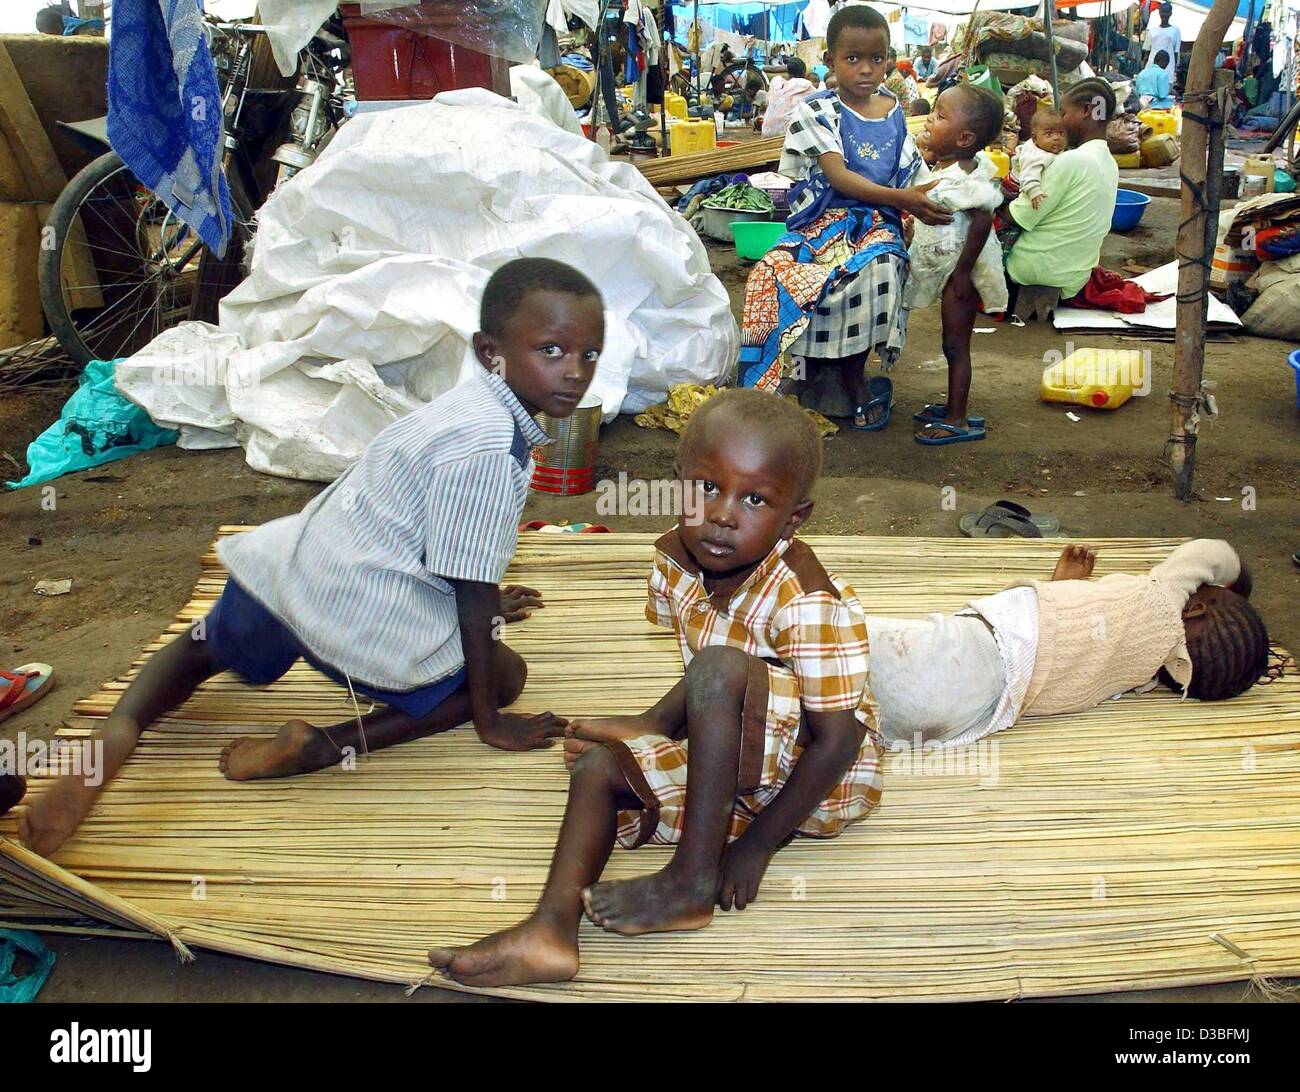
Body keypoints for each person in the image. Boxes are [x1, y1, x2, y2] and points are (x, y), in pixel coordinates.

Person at [17, 258, 605, 858]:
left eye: (589, 355)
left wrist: (479, 594)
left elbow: (428, 535)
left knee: (195, 651)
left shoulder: (458, 409)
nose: (574, 373)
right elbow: (469, 588)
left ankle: (115, 735)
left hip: (286, 572)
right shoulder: (491, 446)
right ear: (490, 351)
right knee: (506, 676)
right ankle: (327, 744)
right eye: (552, 350)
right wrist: (489, 718)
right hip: (359, 616)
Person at [428, 389, 885, 987]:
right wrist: (657, 725)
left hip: (819, 780)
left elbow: (839, 739)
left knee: (724, 665)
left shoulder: (807, 601)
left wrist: (757, 848)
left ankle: (690, 882)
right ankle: (549, 931)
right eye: (706, 489)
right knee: (596, 768)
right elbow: (702, 671)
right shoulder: (674, 562)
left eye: (755, 499)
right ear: (678, 486)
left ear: (793, 518)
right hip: (730, 769)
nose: (723, 514)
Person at [737, 4, 951, 430]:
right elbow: (839, 176)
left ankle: (853, 375)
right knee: (772, 272)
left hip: (876, 227)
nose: (866, 70)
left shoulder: (894, 116)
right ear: (830, 61)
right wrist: (904, 199)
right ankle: (797, 374)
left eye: (877, 59)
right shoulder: (816, 111)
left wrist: (960, 189)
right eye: (853, 59)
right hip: (821, 223)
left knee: (882, 267)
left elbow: (915, 176)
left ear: (889, 60)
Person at [863, 539, 1273, 750]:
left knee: (828, 632)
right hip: (972, 710)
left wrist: (1240, 586)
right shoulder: (1137, 676)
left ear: (1196, 606)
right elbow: (1066, 652)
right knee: (848, 699)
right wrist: (1066, 590)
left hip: (967, 657)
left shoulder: (1161, 601)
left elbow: (1214, 553)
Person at [905, 83, 1007, 446]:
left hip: (962, 276)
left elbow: (982, 220)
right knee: (951, 343)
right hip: (952, 270)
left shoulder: (968, 179)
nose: (929, 120)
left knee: (955, 345)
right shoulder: (954, 167)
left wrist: (963, 273)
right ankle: (953, 406)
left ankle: (958, 418)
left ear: (964, 138)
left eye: (940, 116)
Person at [1003, 78, 1119, 313]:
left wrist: (996, 207)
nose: (1062, 123)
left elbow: (1020, 215)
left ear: (1087, 110)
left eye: (1065, 113)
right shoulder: (1109, 162)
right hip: (1075, 275)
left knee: (979, 222)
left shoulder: (1072, 160)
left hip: (1037, 269)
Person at [1010, 108, 1069, 210]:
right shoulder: (1034, 155)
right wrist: (1034, 192)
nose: (1056, 138)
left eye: (1061, 133)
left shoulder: (1047, 149)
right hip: (1013, 188)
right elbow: (1028, 175)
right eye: (1049, 134)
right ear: (1035, 138)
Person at [760, 56, 816, 137]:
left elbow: (767, 101)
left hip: (766, 132)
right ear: (804, 72)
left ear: (788, 72)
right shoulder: (806, 85)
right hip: (787, 135)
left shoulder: (776, 82)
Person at [1144, 2, 1181, 84]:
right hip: (1151, 66)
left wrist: (1175, 70)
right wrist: (1144, 71)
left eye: (1167, 12)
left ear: (1170, 13)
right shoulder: (1152, 31)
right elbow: (1147, 53)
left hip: (1168, 68)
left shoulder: (1175, 31)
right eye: (1162, 11)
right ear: (1159, 12)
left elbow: (1176, 52)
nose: (1164, 14)